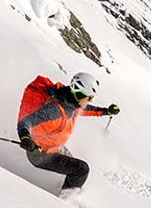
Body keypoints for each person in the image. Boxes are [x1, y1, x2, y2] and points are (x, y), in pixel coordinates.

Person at [16, 71, 120, 199]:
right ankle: (65, 201)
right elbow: (25, 122)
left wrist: (105, 111)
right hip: (40, 153)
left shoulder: (72, 102)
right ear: (80, 94)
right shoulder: (54, 110)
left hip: (55, 147)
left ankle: (65, 189)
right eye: (90, 97)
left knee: (74, 167)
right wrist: (25, 138)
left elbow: (86, 109)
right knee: (81, 169)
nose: (90, 101)